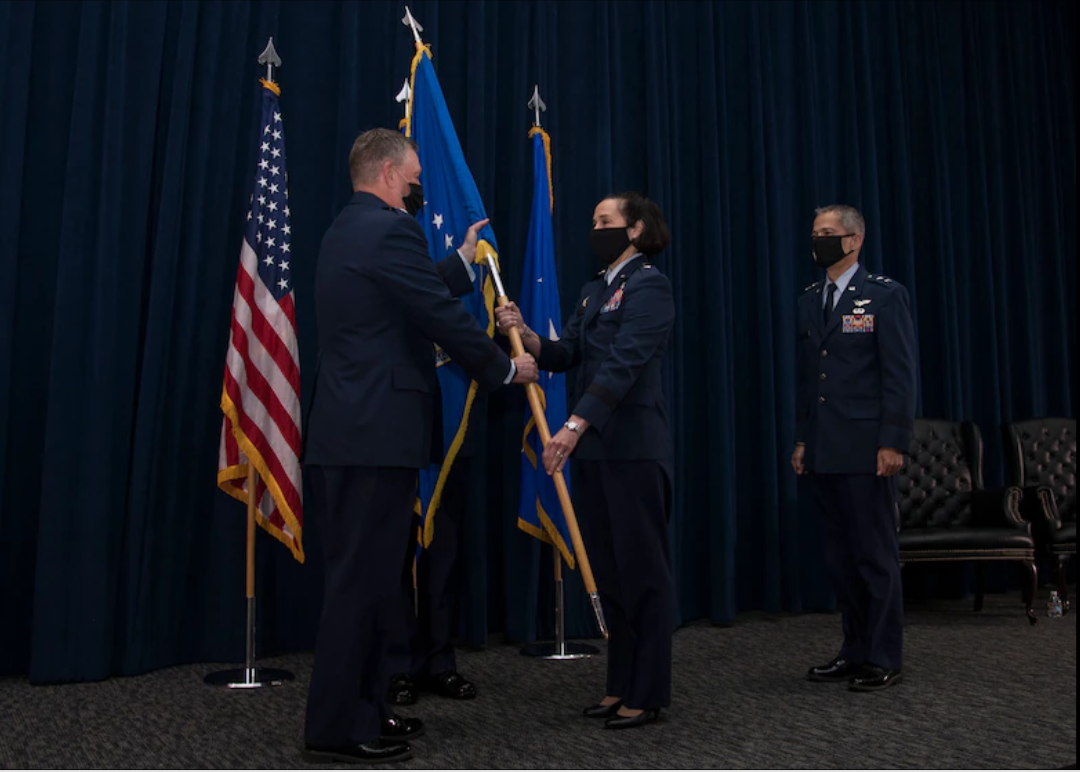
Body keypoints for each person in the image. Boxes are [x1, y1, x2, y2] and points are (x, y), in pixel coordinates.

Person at [302, 128, 538, 765]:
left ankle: (368, 708)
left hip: (356, 434)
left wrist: (463, 261)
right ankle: (336, 727)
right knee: (360, 586)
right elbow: (434, 313)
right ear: (384, 174)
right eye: (412, 179)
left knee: (375, 583)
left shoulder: (351, 228)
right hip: (371, 437)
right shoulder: (388, 230)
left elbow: (408, 290)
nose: (417, 188)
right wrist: (504, 370)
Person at [494, 191, 675, 729]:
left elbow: (623, 364)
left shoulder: (649, 286)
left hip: (633, 450)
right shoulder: (596, 290)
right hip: (596, 452)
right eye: (593, 219)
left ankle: (649, 691)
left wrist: (573, 425)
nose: (594, 227)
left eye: (605, 220)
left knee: (643, 575)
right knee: (611, 574)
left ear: (637, 229)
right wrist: (523, 332)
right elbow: (564, 353)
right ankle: (620, 685)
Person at [792, 204, 917, 692]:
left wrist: (894, 441)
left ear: (854, 240)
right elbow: (809, 381)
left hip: (867, 448)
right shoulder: (809, 300)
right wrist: (802, 439)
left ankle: (884, 654)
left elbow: (900, 376)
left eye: (828, 233)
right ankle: (854, 648)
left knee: (873, 555)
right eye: (814, 232)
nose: (817, 240)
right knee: (839, 557)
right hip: (823, 447)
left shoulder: (884, 296)